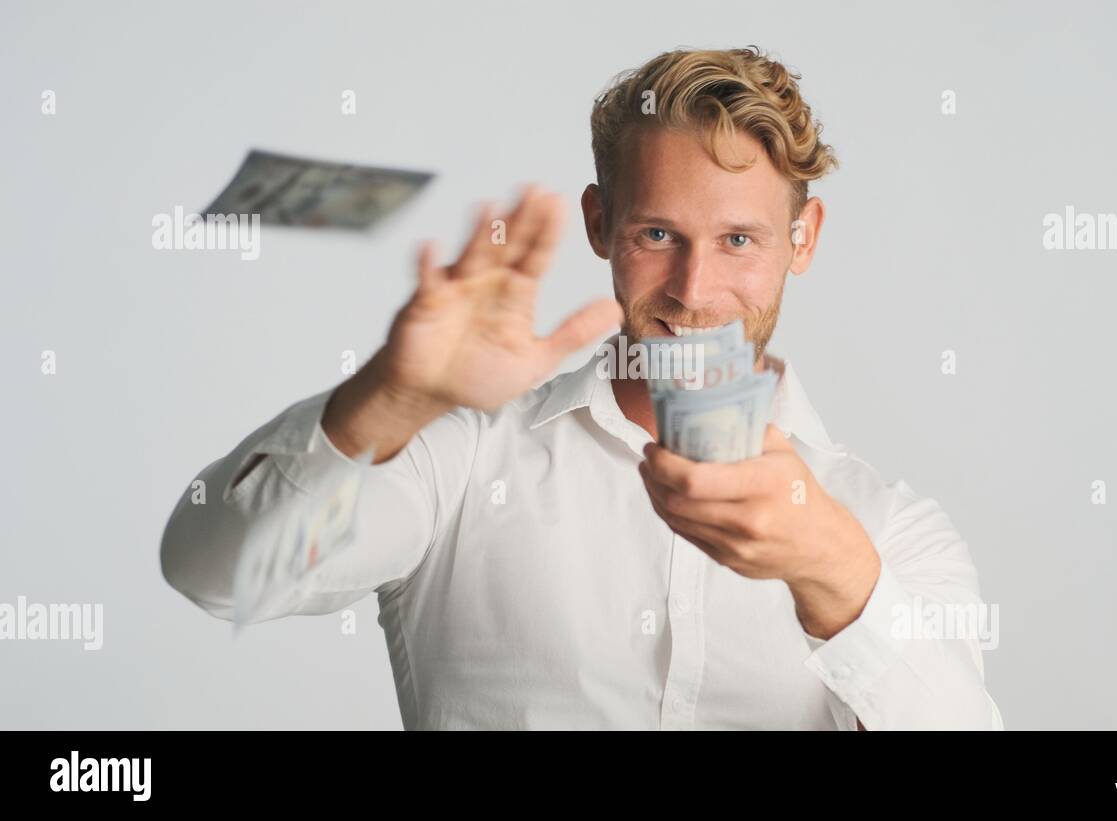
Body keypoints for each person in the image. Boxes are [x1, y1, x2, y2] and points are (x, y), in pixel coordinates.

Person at [161, 46, 1003, 730]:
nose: (695, 288)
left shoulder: (892, 534)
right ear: (600, 224)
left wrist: (836, 572)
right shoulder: (464, 457)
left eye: (740, 237)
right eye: (659, 232)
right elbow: (214, 573)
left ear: (803, 238)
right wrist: (390, 394)